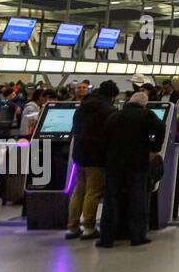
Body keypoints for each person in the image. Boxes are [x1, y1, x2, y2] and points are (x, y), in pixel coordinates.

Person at [98, 87, 166, 248]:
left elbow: (104, 138)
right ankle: (137, 236)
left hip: (114, 163)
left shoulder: (114, 115)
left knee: (110, 200)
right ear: (144, 104)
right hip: (137, 163)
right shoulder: (146, 114)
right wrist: (154, 147)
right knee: (137, 199)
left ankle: (107, 238)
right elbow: (161, 127)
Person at [65, 80, 115, 240]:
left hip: (79, 153)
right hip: (97, 155)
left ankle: (72, 228)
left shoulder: (81, 108)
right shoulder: (108, 110)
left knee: (79, 190)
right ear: (112, 96)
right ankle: (88, 227)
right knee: (93, 192)